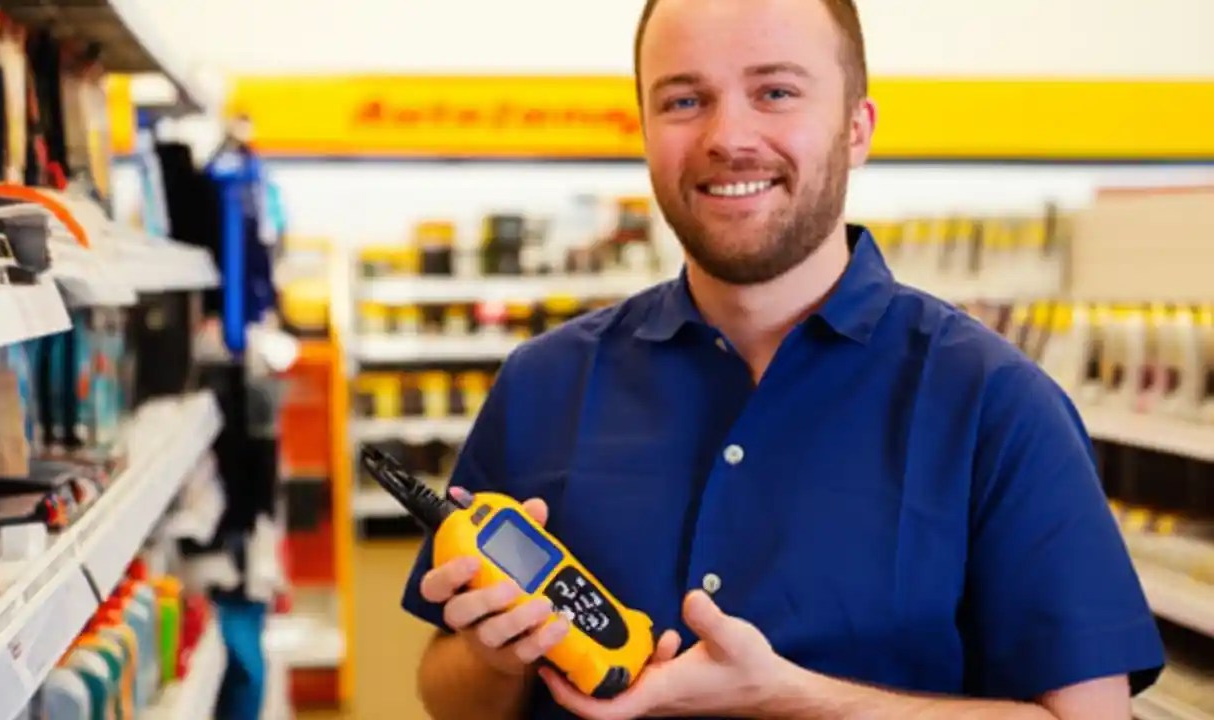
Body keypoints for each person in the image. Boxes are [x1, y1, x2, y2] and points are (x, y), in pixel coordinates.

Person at [399, 0, 1166, 717]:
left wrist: (796, 697)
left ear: (858, 129)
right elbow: (444, 688)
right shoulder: (544, 383)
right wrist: (495, 659)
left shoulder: (997, 404)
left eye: (775, 93)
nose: (727, 136)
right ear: (643, 130)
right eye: (683, 100)